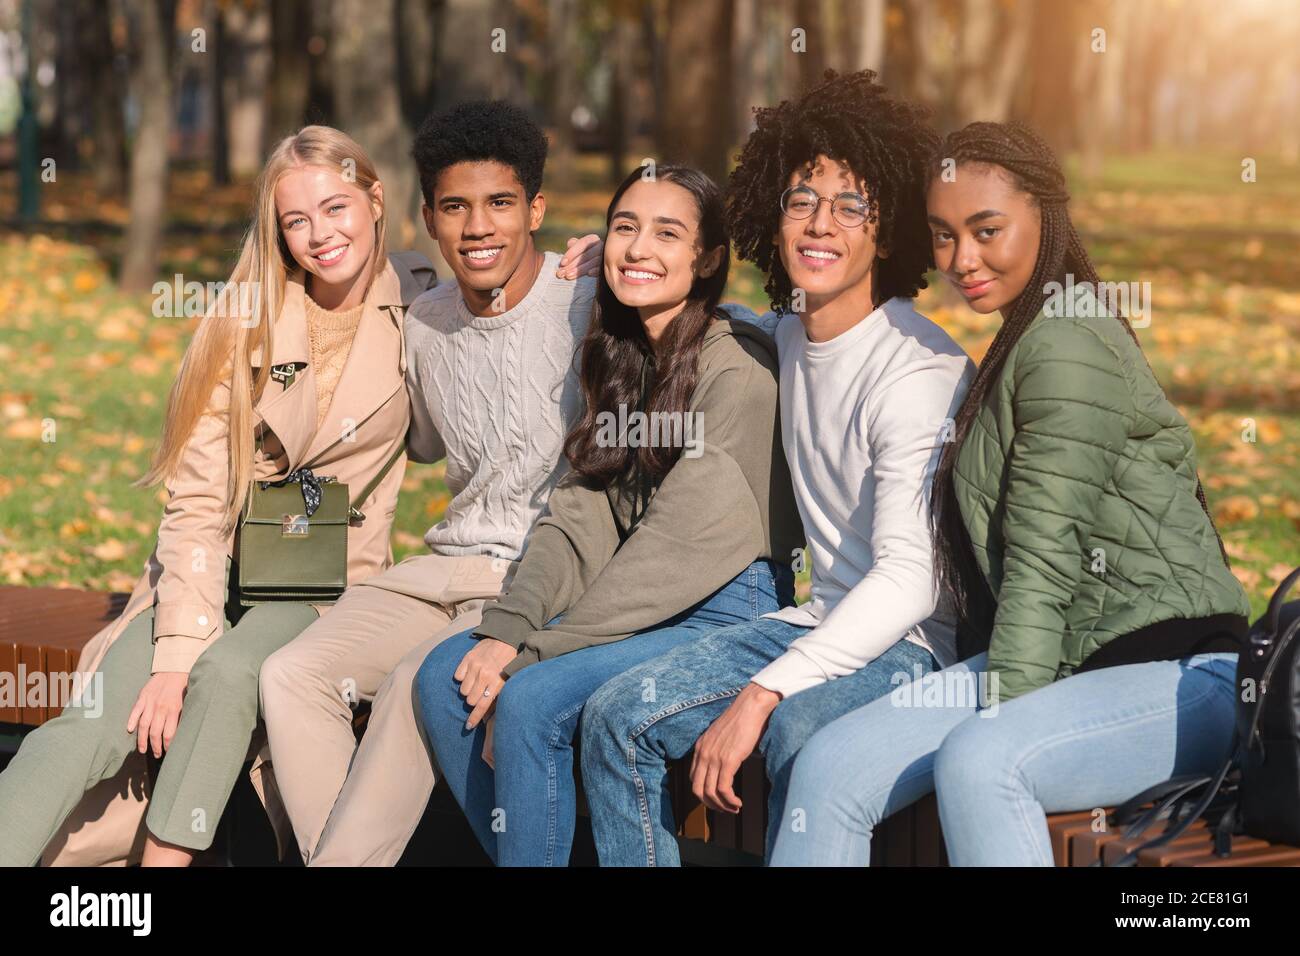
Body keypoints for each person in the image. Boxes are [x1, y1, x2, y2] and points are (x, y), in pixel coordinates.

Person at [769, 121, 1252, 867]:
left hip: (1175, 676)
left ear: (1045, 216)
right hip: (1065, 662)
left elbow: (1046, 561)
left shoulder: (1065, 342)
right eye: (943, 235)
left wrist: (998, 716)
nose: (963, 259)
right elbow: (780, 329)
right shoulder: (1027, 334)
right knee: (829, 768)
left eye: (987, 229)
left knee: (982, 764)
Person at [0, 126, 434, 867]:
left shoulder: (423, 297)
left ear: (375, 198)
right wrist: (173, 653)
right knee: (99, 718)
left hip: (324, 581)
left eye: (336, 207)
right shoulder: (242, 320)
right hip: (213, 568)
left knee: (232, 674)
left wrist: (576, 267)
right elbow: (197, 505)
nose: (320, 235)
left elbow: (509, 284)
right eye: (296, 220)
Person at [578, 70, 975, 866]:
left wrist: (767, 690)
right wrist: (609, 265)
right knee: (616, 720)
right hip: (814, 620)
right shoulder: (785, 336)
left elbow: (909, 582)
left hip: (914, 644)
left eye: (851, 205)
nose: (820, 225)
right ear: (773, 215)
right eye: (801, 200)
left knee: (798, 725)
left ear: (886, 232)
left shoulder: (917, 372)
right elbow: (712, 315)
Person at [415, 162, 803, 866]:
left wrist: (532, 655)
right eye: (625, 227)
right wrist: (507, 628)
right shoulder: (625, 358)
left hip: (725, 608)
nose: (638, 249)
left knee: (530, 700)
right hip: (639, 601)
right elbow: (580, 511)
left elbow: (676, 549)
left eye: (667, 233)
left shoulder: (736, 373)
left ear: (707, 257)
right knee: (448, 676)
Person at [258, 100, 602, 866]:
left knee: (419, 684)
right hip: (439, 569)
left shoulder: (590, 303)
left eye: (501, 204)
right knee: (291, 673)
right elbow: (399, 431)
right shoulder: (423, 321)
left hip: (537, 579)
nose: (478, 227)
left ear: (536, 209)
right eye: (455, 207)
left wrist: (616, 252)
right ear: (427, 219)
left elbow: (711, 313)